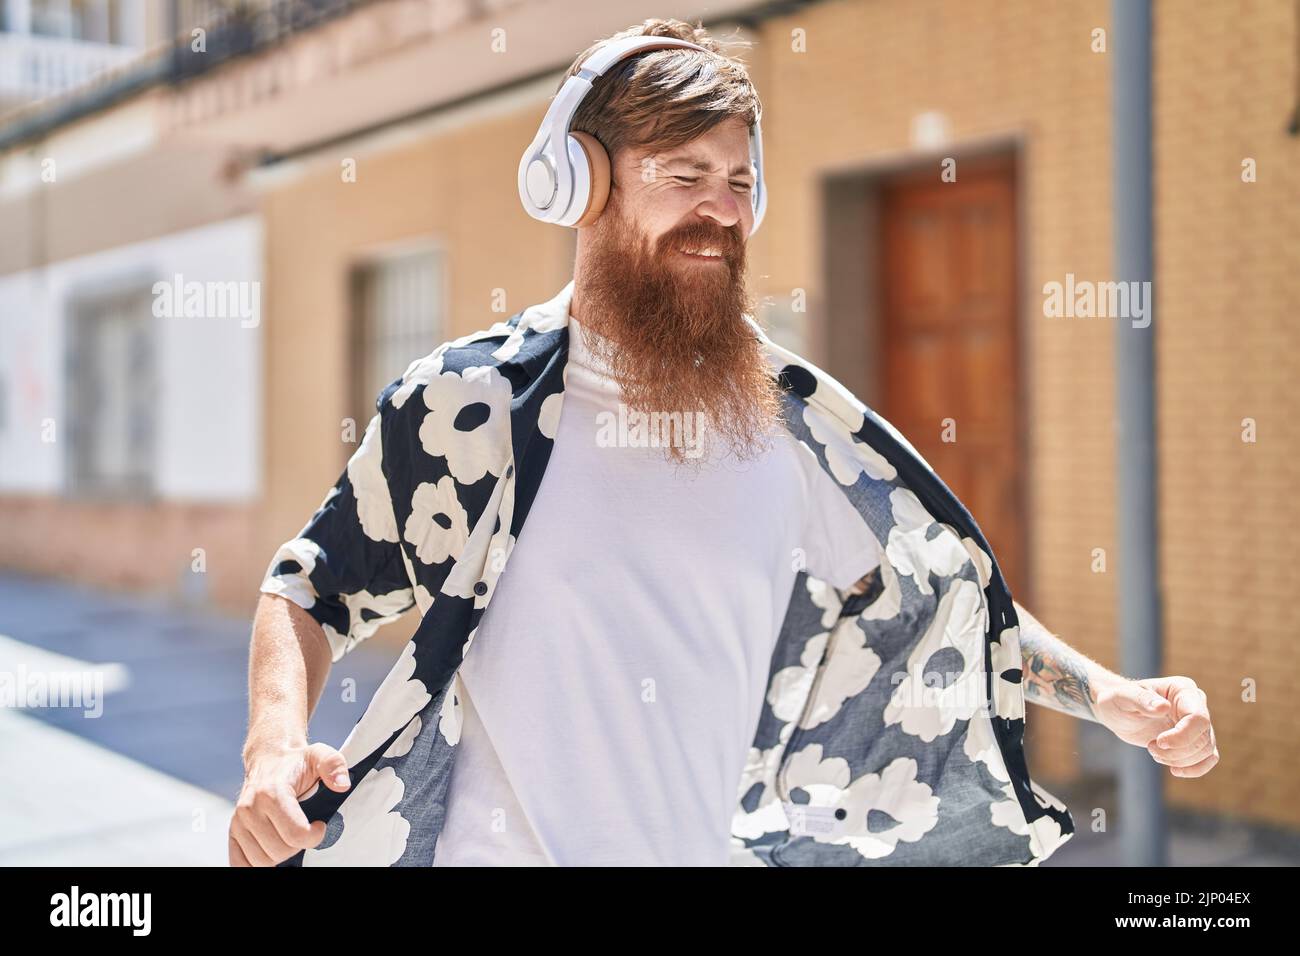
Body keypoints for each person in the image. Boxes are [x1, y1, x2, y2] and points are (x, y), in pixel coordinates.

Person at [231, 18, 1217, 868]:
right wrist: (273, 746)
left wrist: (1116, 699)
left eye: (741, 179)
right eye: (686, 174)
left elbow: (947, 601)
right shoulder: (473, 406)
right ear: (582, 181)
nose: (723, 209)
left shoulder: (796, 425)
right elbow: (312, 584)